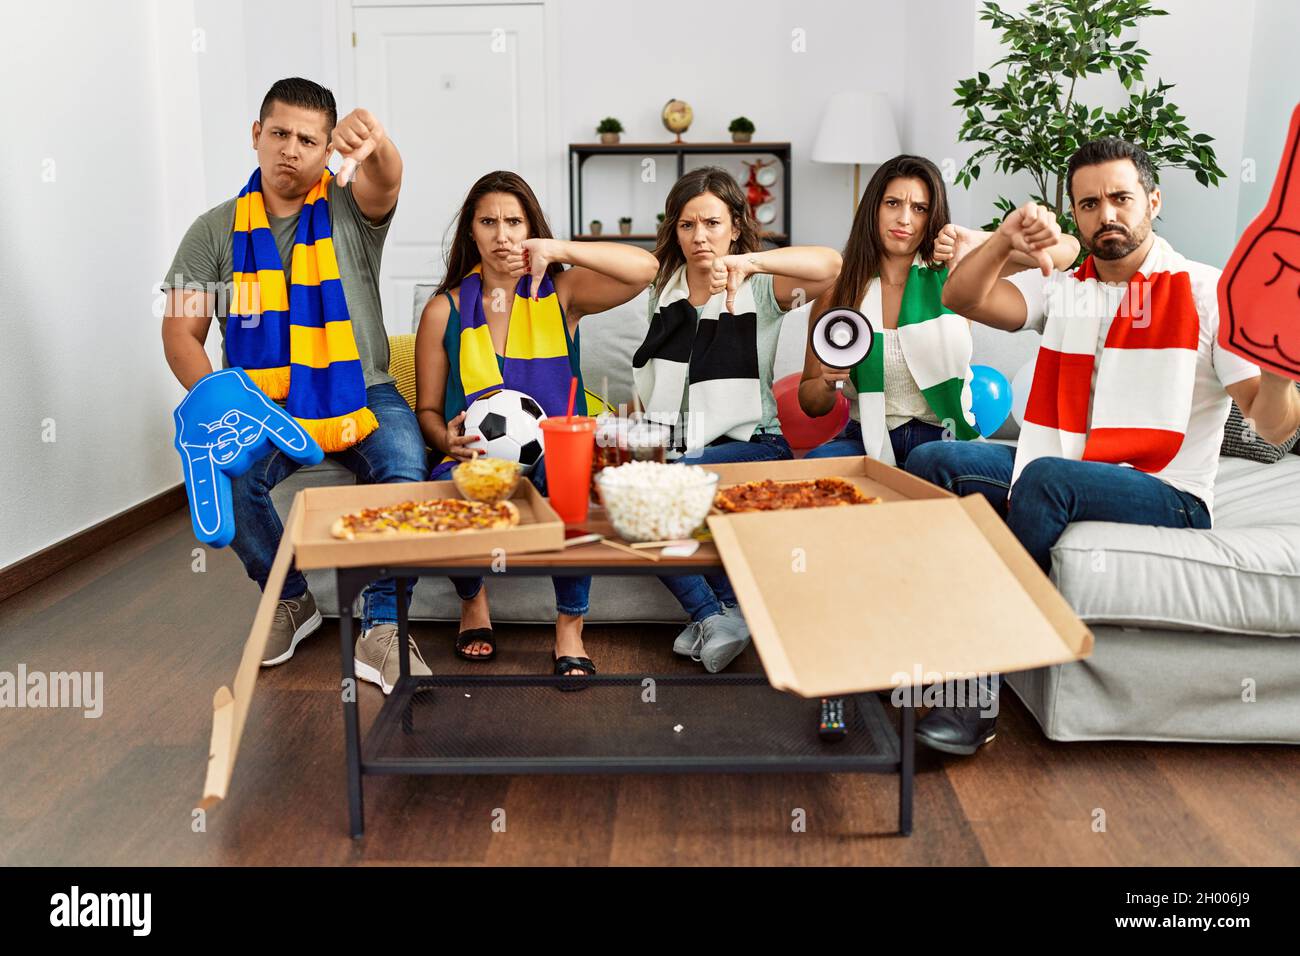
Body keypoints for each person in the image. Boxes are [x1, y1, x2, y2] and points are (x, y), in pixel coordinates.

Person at [905, 137, 1300, 754]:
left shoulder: (1208, 294)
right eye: (1088, 204)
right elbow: (961, 298)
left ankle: (970, 686)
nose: (1106, 214)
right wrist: (1005, 241)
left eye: (1121, 198)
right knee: (934, 460)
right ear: (1075, 214)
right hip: (1071, 464)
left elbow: (1273, 426)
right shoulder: (1069, 284)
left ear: (1153, 200)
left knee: (1045, 479)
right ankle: (921, 632)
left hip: (1169, 491)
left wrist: (1279, 369)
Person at [161, 77, 429, 694]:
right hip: (265, 402)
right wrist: (218, 400)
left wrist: (379, 141)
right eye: (278, 133)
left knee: (403, 466)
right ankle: (291, 599)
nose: (290, 148)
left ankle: (384, 626)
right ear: (256, 135)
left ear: (326, 149)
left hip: (364, 389)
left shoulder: (348, 208)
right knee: (228, 474)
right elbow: (181, 333)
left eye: (308, 139)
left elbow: (386, 178)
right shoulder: (213, 230)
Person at [415, 170, 657, 680]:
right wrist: (446, 441)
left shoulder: (562, 293)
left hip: (557, 451)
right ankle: (473, 603)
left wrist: (557, 248)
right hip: (476, 459)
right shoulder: (445, 310)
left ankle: (570, 626)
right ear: (471, 233)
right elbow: (429, 411)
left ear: (532, 229)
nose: (502, 235)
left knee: (571, 482)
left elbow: (645, 269)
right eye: (488, 222)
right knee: (444, 491)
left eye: (514, 222)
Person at [633, 166, 843, 672]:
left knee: (667, 486)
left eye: (711, 222)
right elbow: (660, 389)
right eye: (686, 225)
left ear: (734, 226)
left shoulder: (761, 288)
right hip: (682, 446)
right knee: (631, 490)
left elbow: (831, 264)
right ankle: (720, 613)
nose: (699, 236)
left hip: (755, 441)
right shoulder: (664, 292)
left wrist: (747, 262)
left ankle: (718, 613)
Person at [799, 154, 1080, 467]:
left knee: (931, 461)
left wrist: (978, 241)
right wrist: (827, 382)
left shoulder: (956, 274)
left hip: (943, 437)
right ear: (873, 209)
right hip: (865, 437)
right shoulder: (840, 292)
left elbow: (1067, 251)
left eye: (919, 208)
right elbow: (810, 402)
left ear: (932, 217)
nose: (905, 219)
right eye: (893, 203)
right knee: (814, 468)